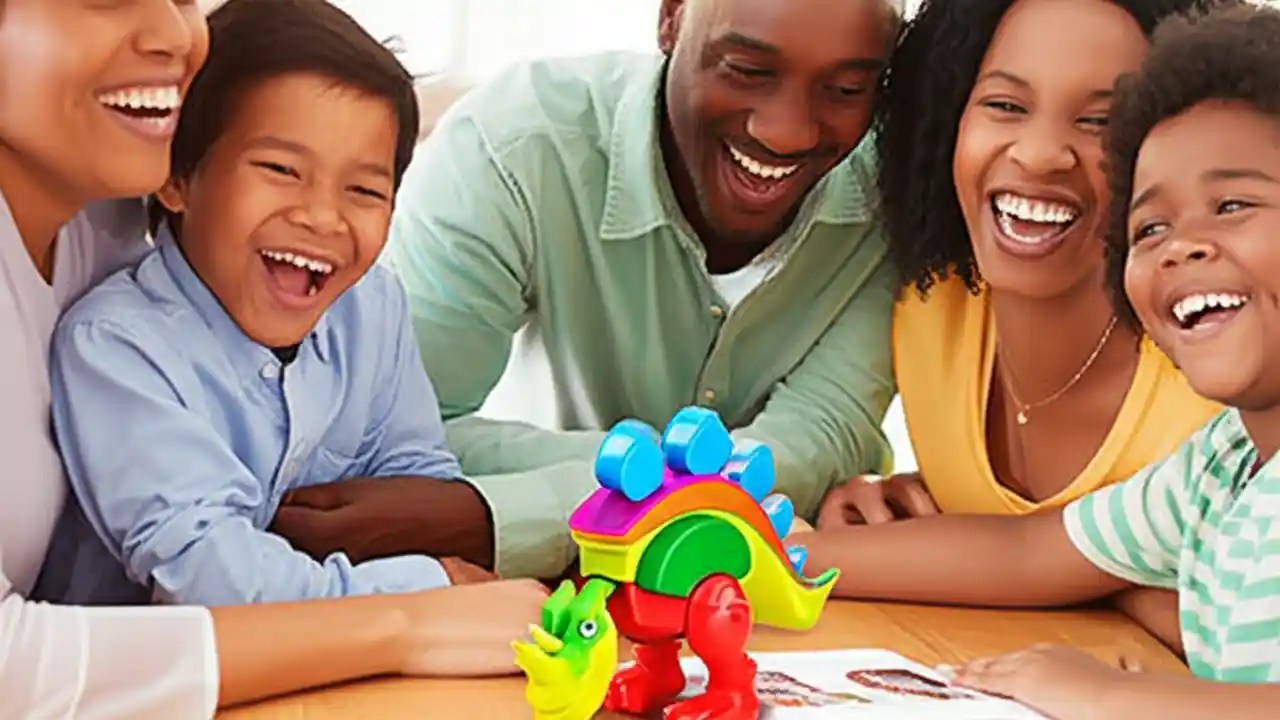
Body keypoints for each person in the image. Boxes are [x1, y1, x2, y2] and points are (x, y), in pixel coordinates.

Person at [0, 0, 542, 716]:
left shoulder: (368, 309)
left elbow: (414, 489)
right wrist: (426, 593)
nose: (322, 216)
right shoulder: (117, 342)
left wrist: (440, 571)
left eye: (365, 190)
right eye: (281, 168)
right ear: (178, 180)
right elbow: (205, 574)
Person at [268, 0, 907, 582]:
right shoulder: (517, 147)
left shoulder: (901, 192)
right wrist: (656, 474)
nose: (786, 131)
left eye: (847, 89)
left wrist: (494, 516)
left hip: (781, 589)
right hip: (535, 595)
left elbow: (820, 440)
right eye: (745, 69)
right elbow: (401, 430)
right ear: (671, 19)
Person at [797, 4, 1280, 716]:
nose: (1183, 246)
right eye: (1150, 226)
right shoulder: (1215, 470)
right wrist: (756, 559)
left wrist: (1111, 697)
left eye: (1233, 204)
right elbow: (1024, 553)